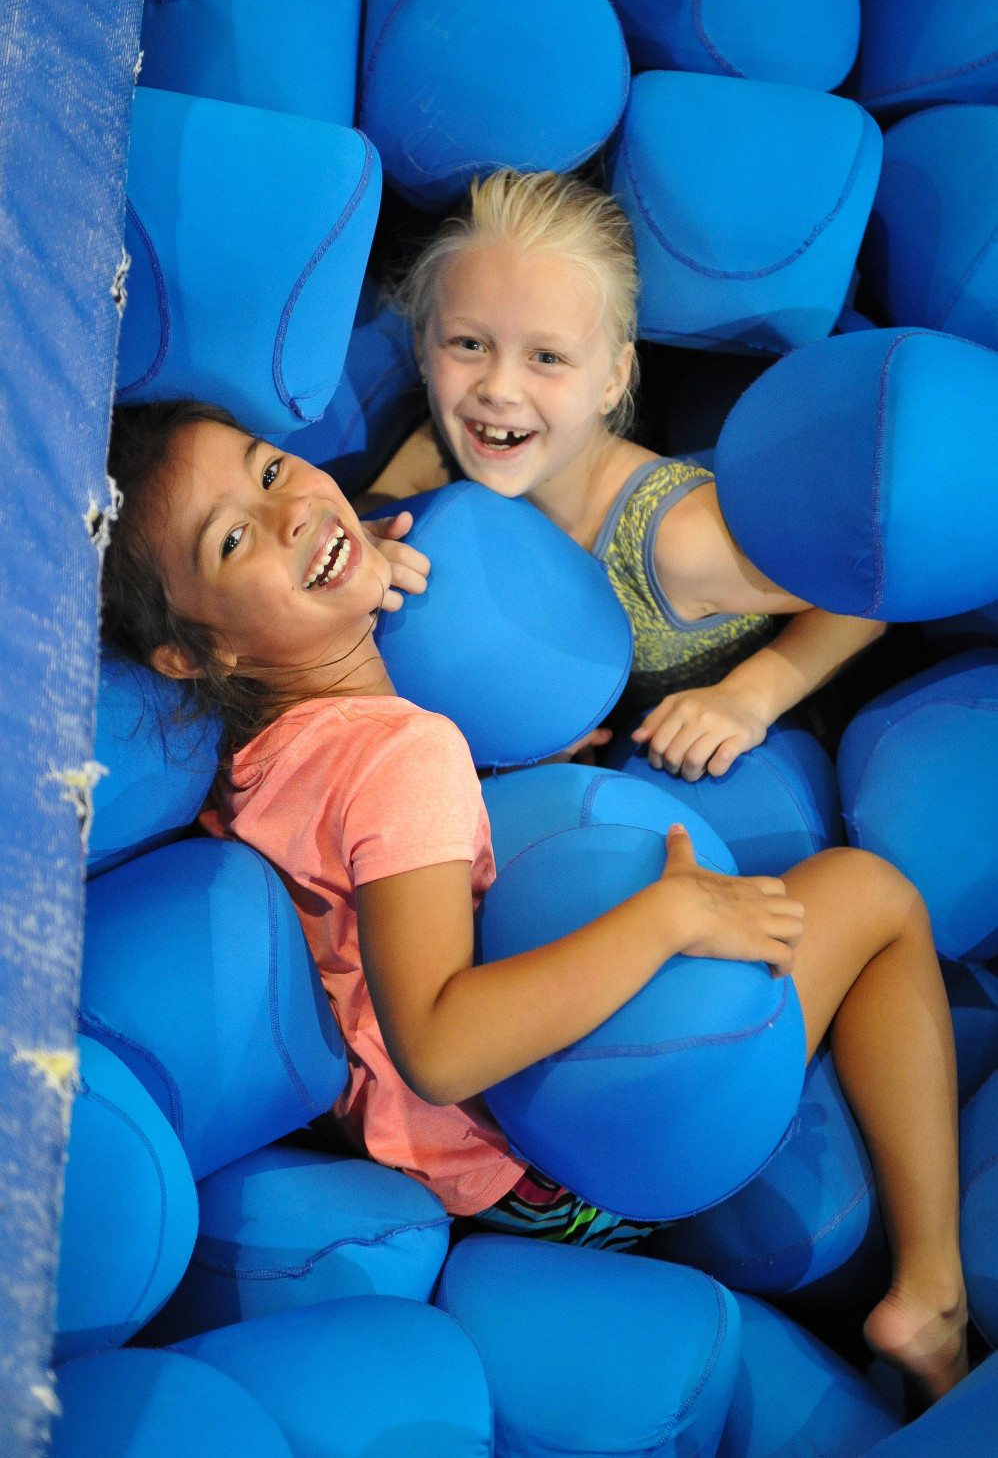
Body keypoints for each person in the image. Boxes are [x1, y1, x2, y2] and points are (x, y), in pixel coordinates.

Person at [101, 399, 966, 1403]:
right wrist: (668, 919)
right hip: (551, 1177)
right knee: (875, 895)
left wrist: (351, 564)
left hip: (438, 1167)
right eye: (233, 539)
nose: (289, 511)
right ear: (195, 654)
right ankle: (931, 1293)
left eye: (269, 470)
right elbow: (438, 1046)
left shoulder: (249, 762)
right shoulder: (400, 758)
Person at [374, 168, 886, 779]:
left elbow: (865, 596)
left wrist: (747, 697)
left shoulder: (678, 538)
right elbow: (366, 513)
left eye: (547, 357)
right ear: (422, 347)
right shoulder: (438, 454)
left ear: (613, 379)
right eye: (468, 344)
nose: (499, 389)